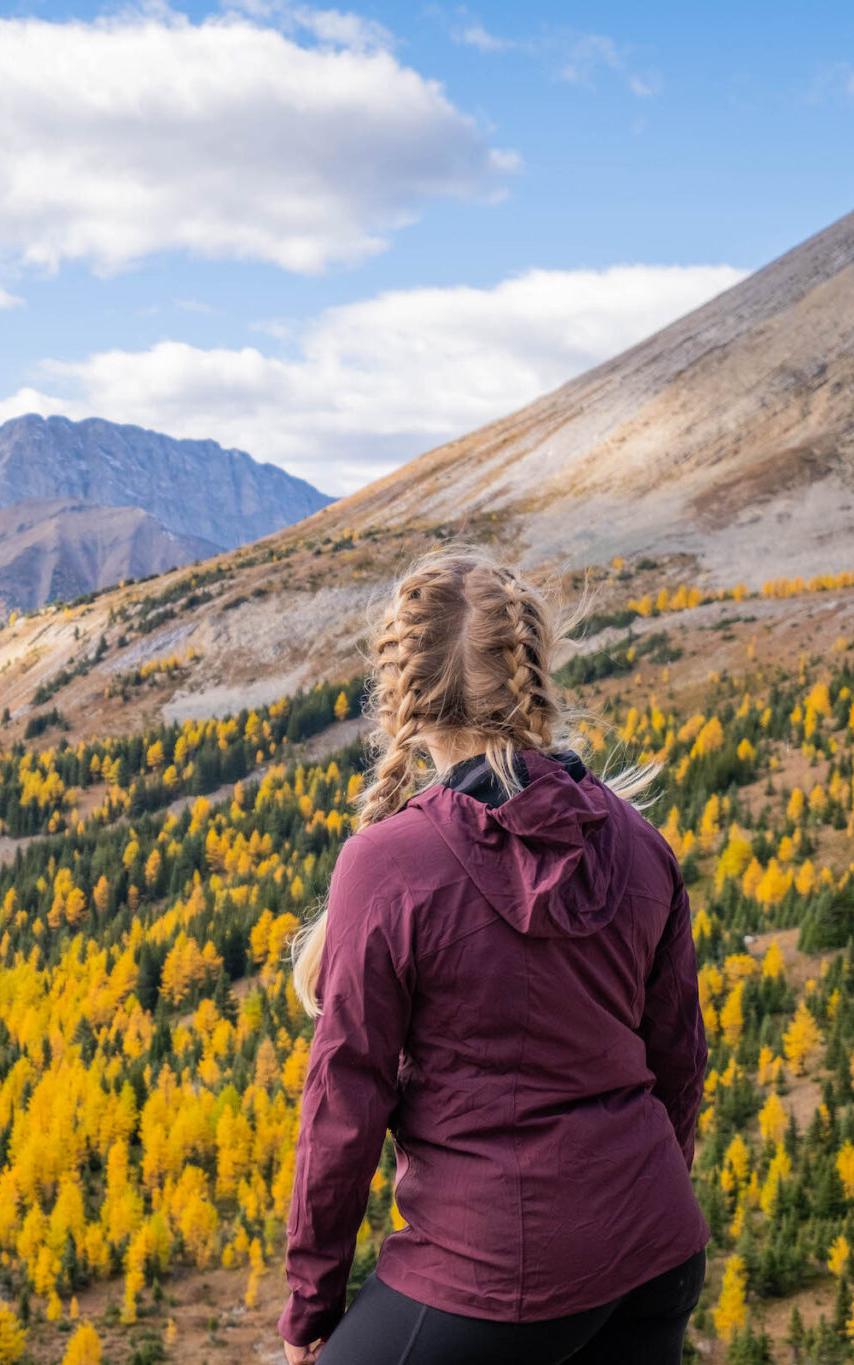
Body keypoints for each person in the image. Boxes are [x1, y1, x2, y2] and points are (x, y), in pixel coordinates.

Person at [279, 549, 709, 1365]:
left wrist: (311, 1305)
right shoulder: (638, 841)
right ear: (531, 675)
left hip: (492, 1273)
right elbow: (679, 1059)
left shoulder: (389, 860)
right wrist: (643, 1194)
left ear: (400, 690)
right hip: (655, 1247)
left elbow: (345, 1100)